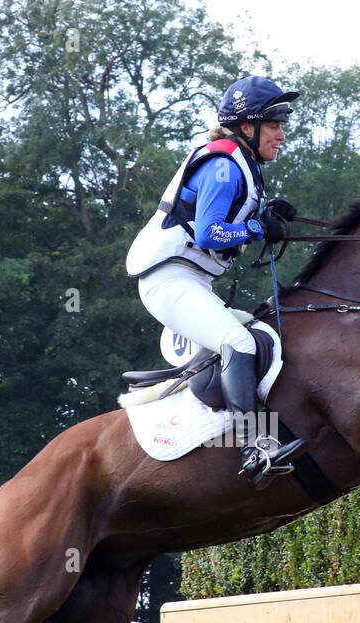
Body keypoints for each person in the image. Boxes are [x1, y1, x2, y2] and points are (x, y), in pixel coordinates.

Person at [126, 75, 307, 490]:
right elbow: (210, 234)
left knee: (261, 331)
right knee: (238, 342)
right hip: (168, 279)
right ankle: (255, 446)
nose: (281, 134)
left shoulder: (240, 165)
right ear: (247, 127)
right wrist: (256, 230)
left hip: (191, 280)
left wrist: (264, 214)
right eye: (275, 124)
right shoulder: (224, 166)